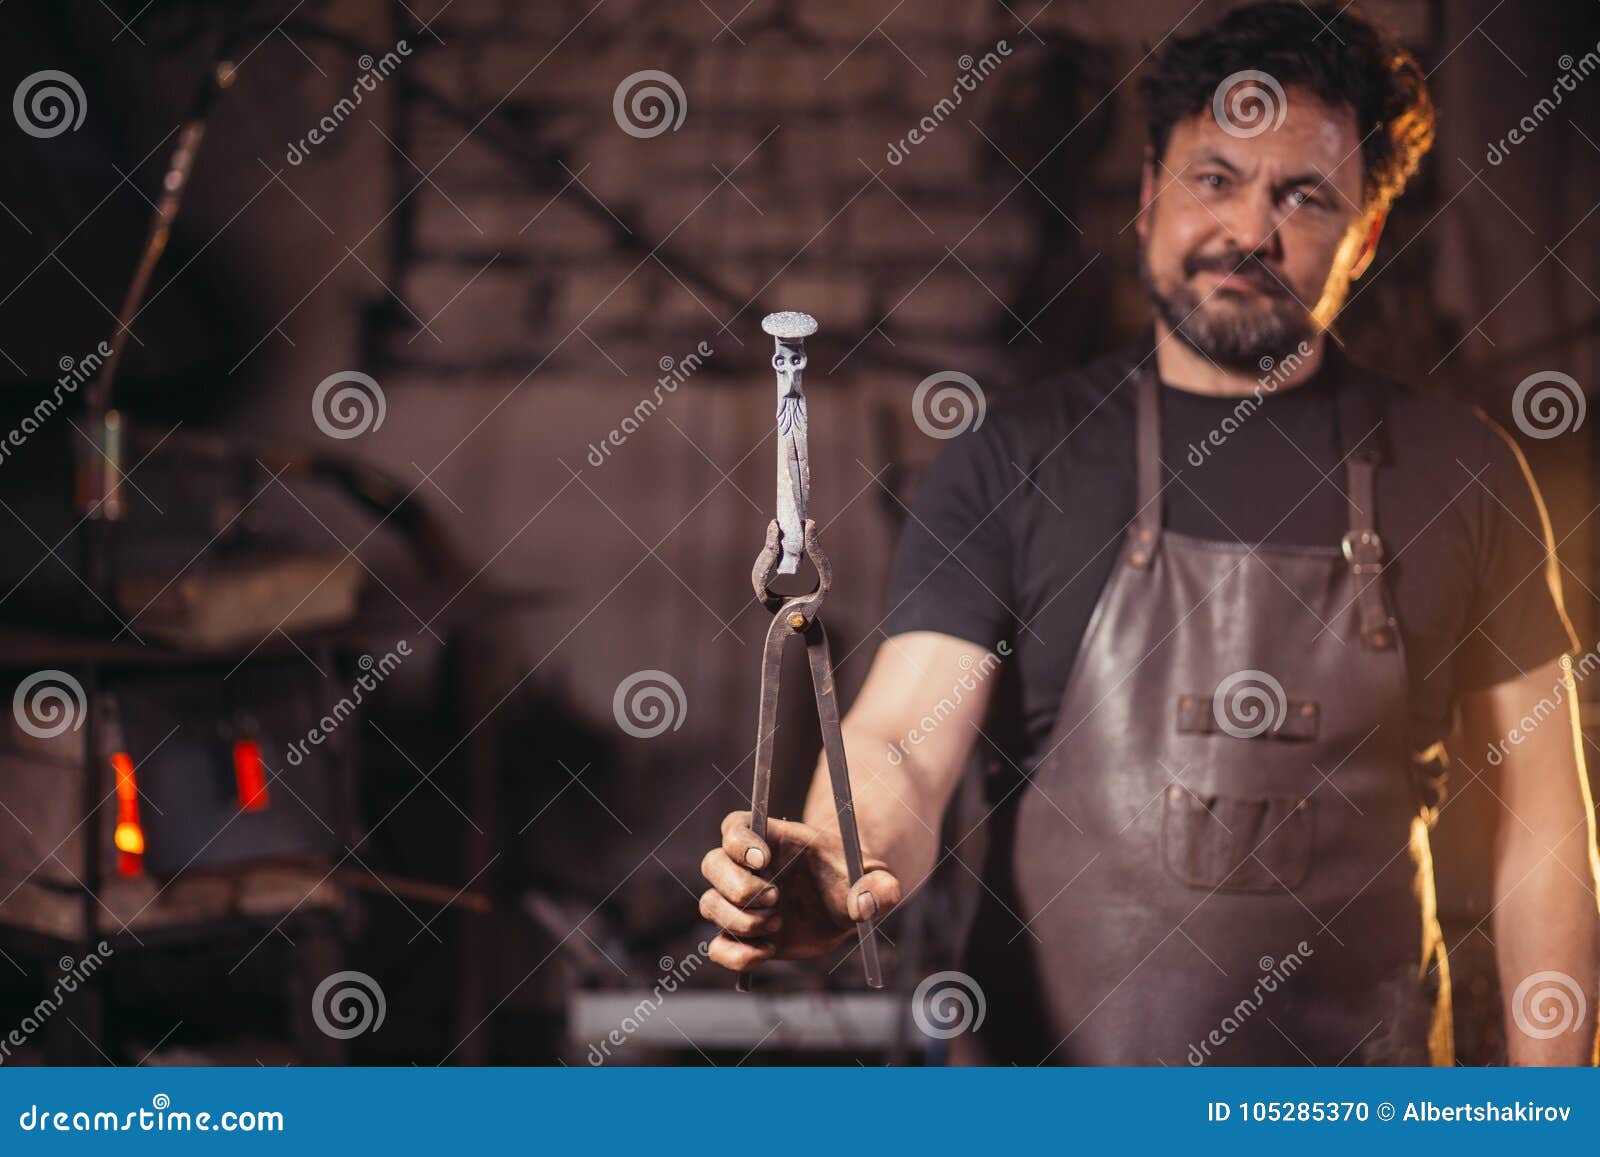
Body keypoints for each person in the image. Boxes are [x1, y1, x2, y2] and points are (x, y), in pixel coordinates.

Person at [698, 1, 1600, 1065]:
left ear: (1363, 230)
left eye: (1303, 195)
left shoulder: (1465, 472)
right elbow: (901, 731)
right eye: (1212, 178)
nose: (1248, 231)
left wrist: (1552, 1103)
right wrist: (844, 865)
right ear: (1145, 196)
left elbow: (1548, 827)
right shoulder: (1010, 460)